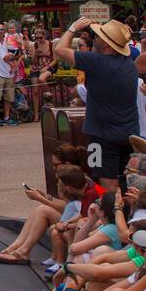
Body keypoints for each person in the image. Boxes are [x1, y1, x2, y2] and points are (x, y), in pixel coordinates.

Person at [55, 18, 140, 193]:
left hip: (102, 136)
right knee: (128, 183)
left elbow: (60, 49)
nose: (95, 38)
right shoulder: (129, 65)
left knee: (106, 185)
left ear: (107, 45)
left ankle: (110, 216)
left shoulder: (96, 62)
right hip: (129, 133)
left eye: (99, 37)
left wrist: (73, 28)